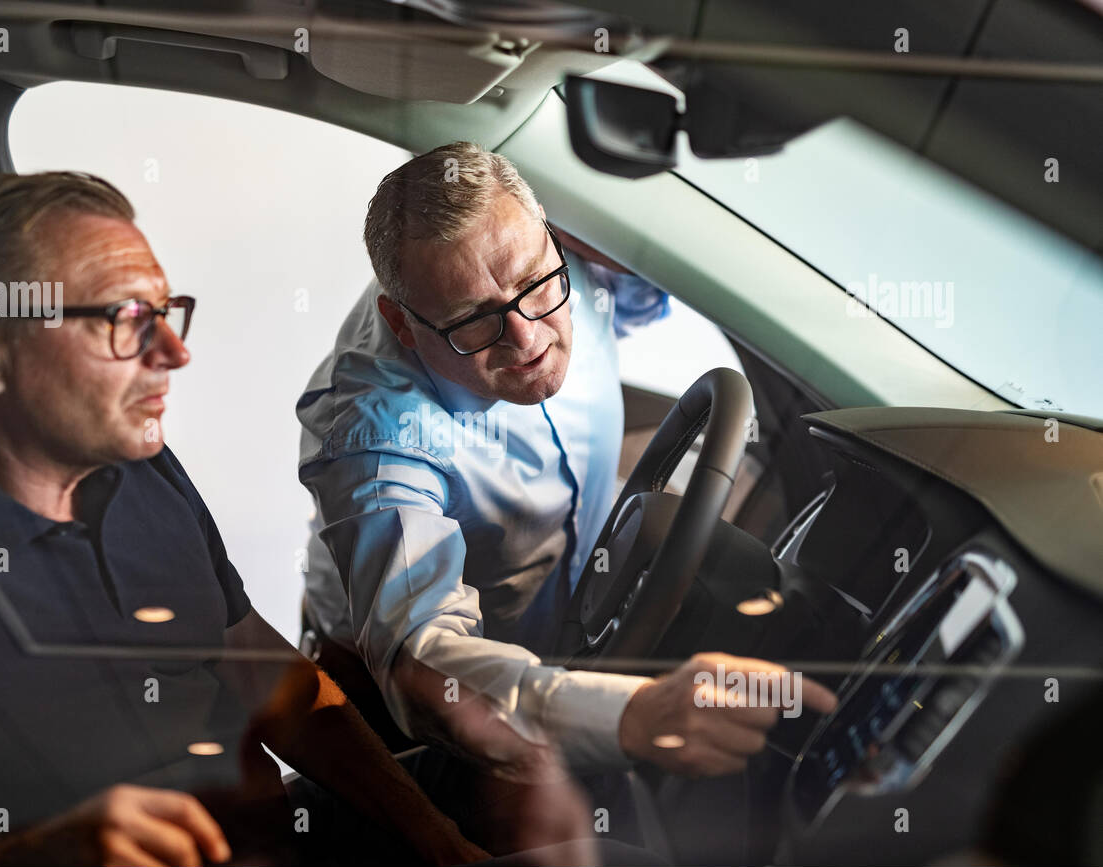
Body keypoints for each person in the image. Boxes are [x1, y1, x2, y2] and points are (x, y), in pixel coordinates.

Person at [0, 171, 517, 867]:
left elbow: (262, 673)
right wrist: (29, 856)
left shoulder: (137, 467)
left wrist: (437, 841)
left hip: (274, 841)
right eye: (124, 320)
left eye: (166, 314)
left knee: (544, 776)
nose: (175, 354)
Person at [297, 142, 836, 789]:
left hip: (589, 610)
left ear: (553, 236)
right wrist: (629, 716)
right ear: (403, 324)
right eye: (473, 323)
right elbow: (421, 660)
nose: (527, 341)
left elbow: (640, 282)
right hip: (453, 711)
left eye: (536, 286)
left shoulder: (556, 256)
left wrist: (638, 233)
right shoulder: (377, 431)